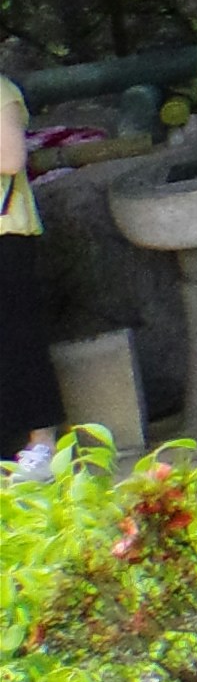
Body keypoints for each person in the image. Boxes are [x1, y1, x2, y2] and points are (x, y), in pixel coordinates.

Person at [0, 65, 53, 452]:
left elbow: (11, 158)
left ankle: (41, 442)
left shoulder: (2, 93)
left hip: (7, 232)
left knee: (19, 341)